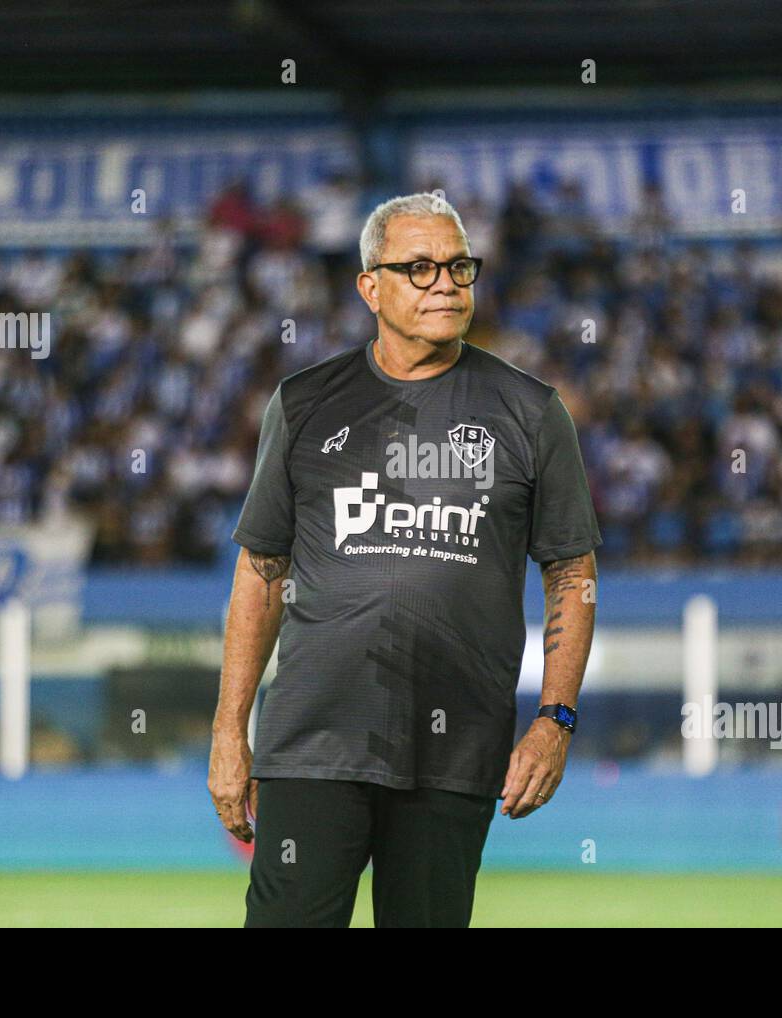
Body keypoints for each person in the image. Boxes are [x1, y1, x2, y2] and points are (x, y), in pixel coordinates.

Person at [207, 192, 601, 927]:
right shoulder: (303, 404)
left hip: (454, 749)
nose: (446, 283)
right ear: (370, 286)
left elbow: (572, 575)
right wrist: (230, 731)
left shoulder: (531, 412)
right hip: (312, 741)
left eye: (458, 265)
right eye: (419, 267)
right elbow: (261, 572)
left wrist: (556, 718)